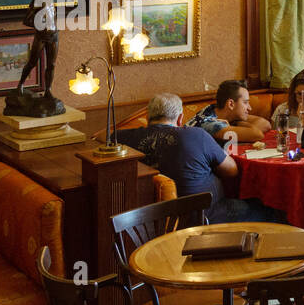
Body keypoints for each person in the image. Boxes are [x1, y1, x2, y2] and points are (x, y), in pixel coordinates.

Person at [116, 93, 284, 224]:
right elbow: (232, 170)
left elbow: (99, 137)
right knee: (272, 209)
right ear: (180, 118)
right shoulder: (195, 135)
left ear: (147, 117)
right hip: (204, 215)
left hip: (153, 219)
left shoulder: (127, 138)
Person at [187, 80, 272, 145]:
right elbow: (257, 134)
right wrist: (245, 131)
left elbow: (266, 124)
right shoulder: (211, 124)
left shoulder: (214, 109)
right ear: (231, 104)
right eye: (245, 102)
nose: (250, 108)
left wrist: (235, 124)